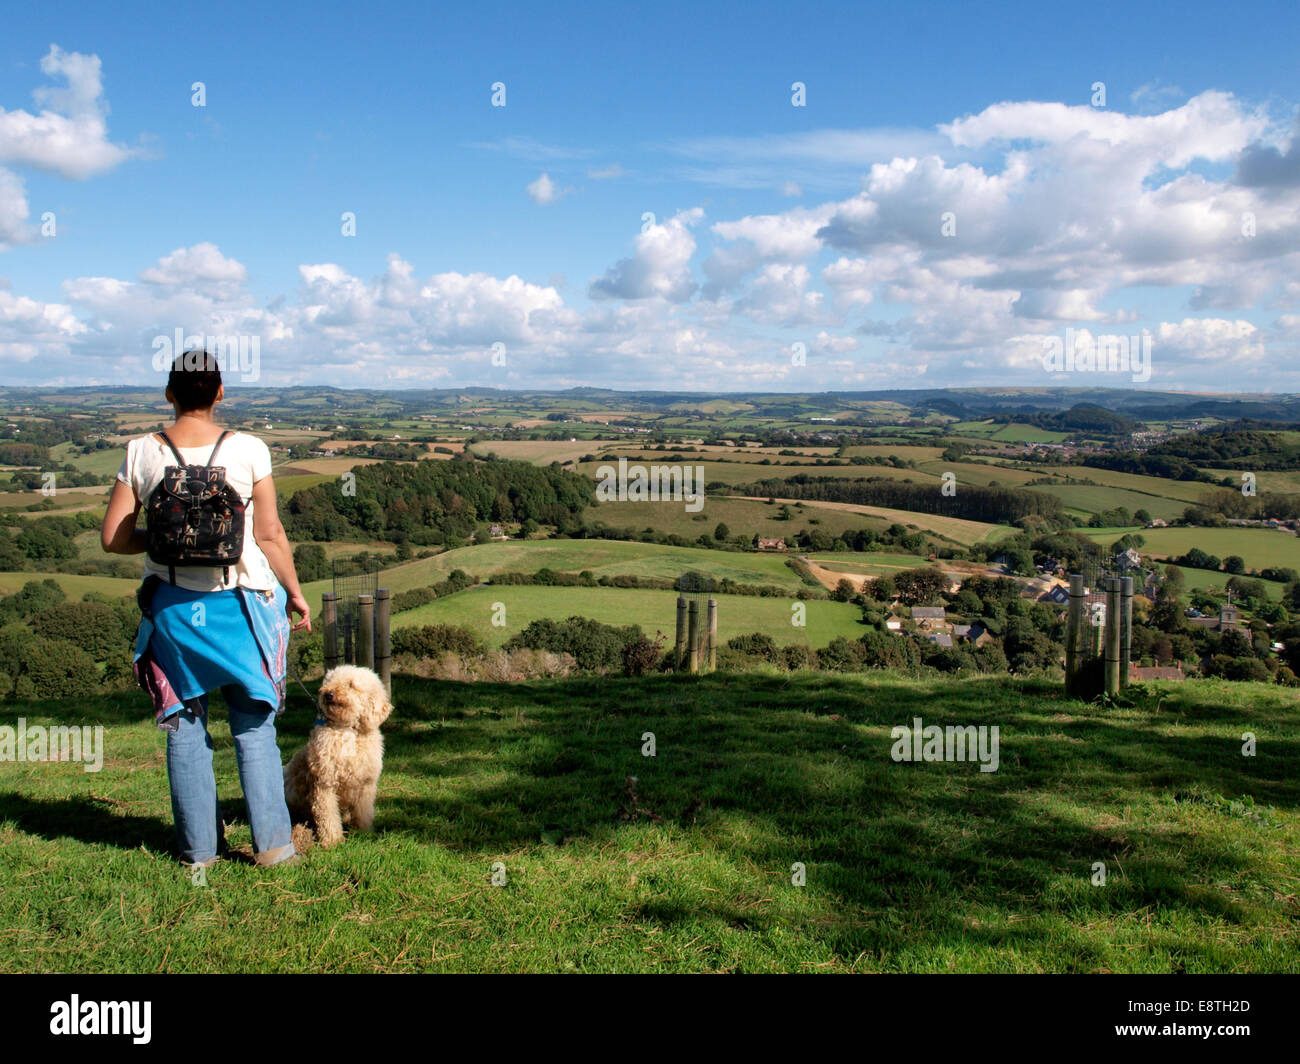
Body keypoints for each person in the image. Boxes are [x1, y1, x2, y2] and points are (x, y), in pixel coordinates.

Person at [101, 350, 311, 869]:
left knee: (185, 725)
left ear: (169, 393)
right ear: (220, 393)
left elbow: (113, 538)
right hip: (242, 604)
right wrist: (295, 590)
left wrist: (167, 542)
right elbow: (269, 534)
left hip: (173, 610)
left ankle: (198, 852)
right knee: (254, 725)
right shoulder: (248, 449)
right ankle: (274, 849)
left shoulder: (140, 452)